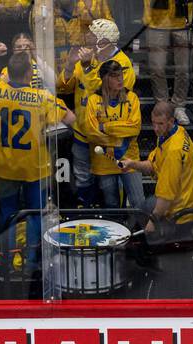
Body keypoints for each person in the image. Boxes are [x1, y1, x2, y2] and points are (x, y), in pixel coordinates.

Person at [0, 44, 74, 271]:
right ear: (29, 74)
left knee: (9, 211)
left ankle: (9, 255)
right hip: (35, 166)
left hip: (6, 165)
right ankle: (31, 258)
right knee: (35, 212)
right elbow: (71, 119)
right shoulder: (42, 97)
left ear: (8, 72)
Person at [58, 18, 134, 207]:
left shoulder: (123, 64)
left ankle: (115, 216)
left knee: (109, 182)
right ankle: (87, 207)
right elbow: (63, 87)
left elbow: (105, 92)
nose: (87, 37)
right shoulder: (87, 56)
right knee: (82, 175)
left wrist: (87, 67)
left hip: (107, 134)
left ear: (104, 41)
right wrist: (69, 66)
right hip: (82, 131)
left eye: (92, 34)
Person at [119, 99, 193, 240]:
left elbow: (166, 197)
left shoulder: (174, 150)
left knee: (151, 236)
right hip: (176, 200)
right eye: (153, 123)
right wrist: (132, 164)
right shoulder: (172, 133)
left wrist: (152, 222)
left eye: (160, 124)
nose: (155, 128)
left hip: (180, 211)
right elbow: (152, 166)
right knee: (141, 210)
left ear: (171, 120)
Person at [78, 58, 144, 209]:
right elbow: (92, 133)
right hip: (104, 164)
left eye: (120, 75)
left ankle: (137, 231)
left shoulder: (131, 98)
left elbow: (134, 128)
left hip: (130, 160)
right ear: (105, 79)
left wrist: (106, 127)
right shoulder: (94, 100)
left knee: (139, 203)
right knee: (111, 204)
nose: (120, 79)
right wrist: (119, 137)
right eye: (114, 76)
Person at [142, 0, 193, 128]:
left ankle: (179, 106)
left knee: (183, 68)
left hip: (181, 20)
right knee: (157, 68)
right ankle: (162, 104)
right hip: (157, 21)